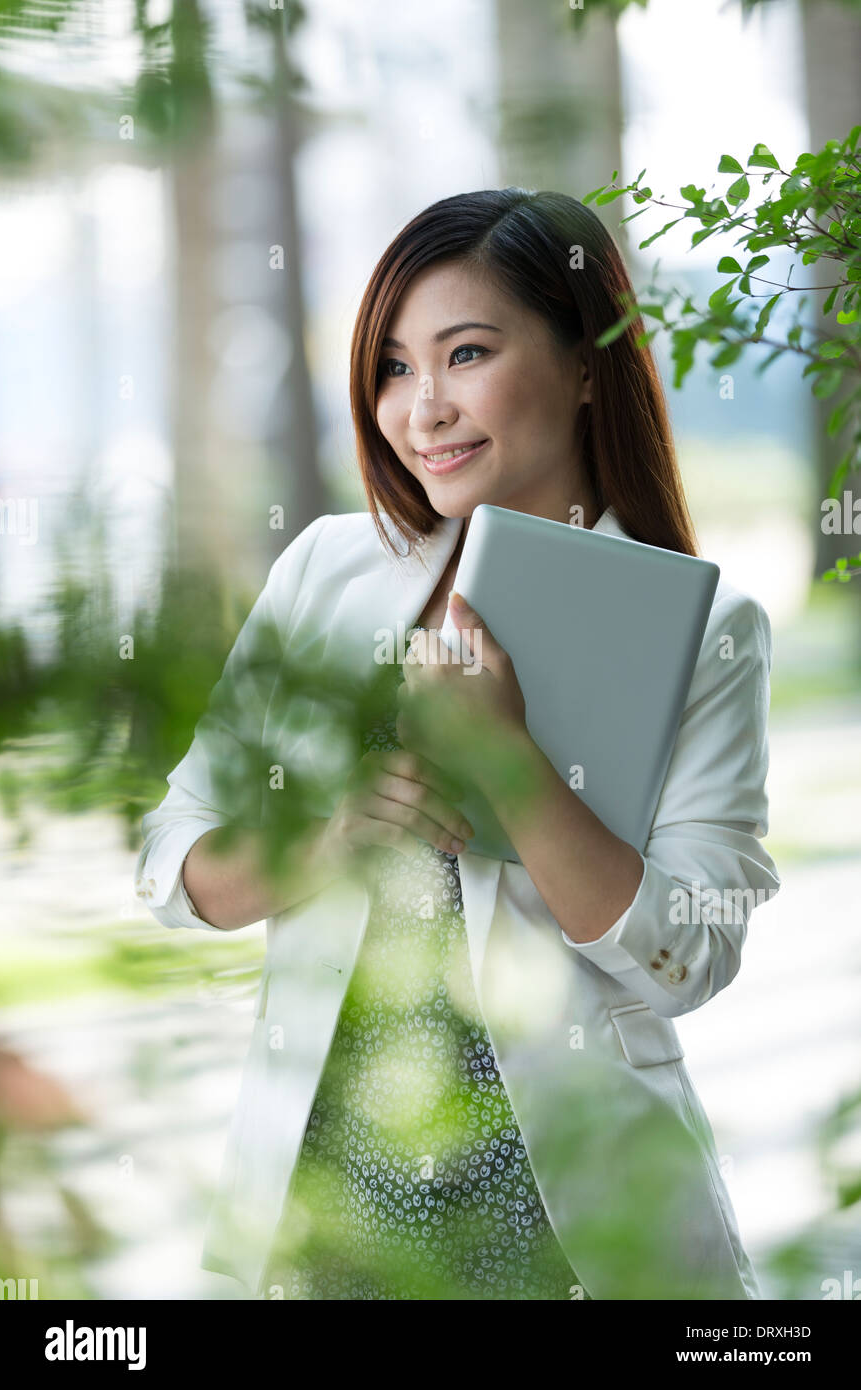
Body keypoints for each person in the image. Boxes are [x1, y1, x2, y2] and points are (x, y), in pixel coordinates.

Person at [136, 187, 781, 1300]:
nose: (419, 407)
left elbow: (692, 954)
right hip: (329, 1227)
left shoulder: (702, 632)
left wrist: (513, 767)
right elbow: (175, 860)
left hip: (575, 1241)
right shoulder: (325, 573)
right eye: (392, 367)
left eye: (465, 352)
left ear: (585, 364)